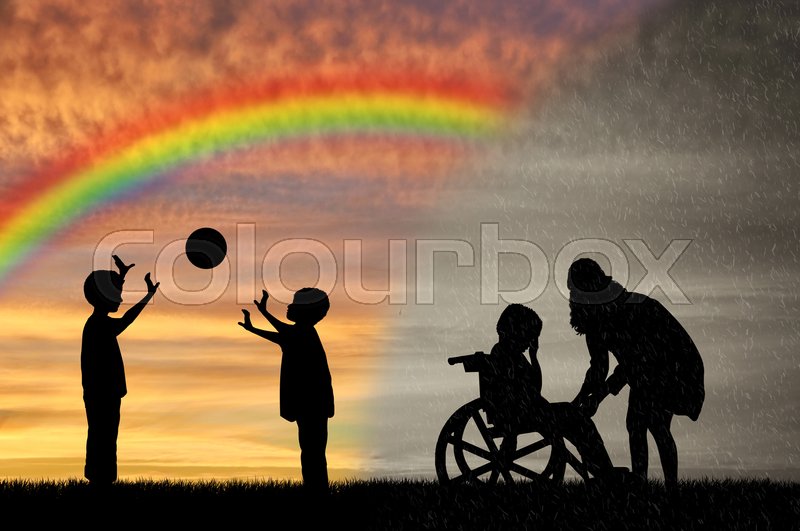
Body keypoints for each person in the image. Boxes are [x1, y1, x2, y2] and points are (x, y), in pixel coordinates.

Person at [568, 258, 704, 489]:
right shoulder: (596, 321)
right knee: (637, 423)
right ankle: (643, 483)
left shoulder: (634, 308)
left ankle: (668, 487)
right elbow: (599, 368)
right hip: (645, 373)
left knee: (653, 422)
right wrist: (581, 400)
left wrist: (599, 397)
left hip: (675, 368)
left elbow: (638, 362)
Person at [482, 304, 621, 480]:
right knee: (579, 422)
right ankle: (603, 472)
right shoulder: (504, 354)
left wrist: (533, 356)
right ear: (515, 332)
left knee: (577, 422)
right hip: (521, 413)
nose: (530, 342)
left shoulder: (510, 354)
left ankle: (600, 470)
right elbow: (529, 391)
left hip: (524, 411)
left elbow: (533, 387)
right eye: (529, 337)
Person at [238, 288, 334, 492]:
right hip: (313, 404)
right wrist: (255, 324)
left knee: (312, 451)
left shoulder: (304, 332)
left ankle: (317, 492)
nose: (290, 306)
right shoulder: (302, 333)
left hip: (312, 404)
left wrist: (262, 314)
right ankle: (316, 490)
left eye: (295, 303)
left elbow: (284, 333)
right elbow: (283, 336)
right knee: (311, 451)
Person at [81, 255, 159, 486]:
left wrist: (121, 277)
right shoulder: (99, 325)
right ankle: (100, 479)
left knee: (103, 435)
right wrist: (148, 296)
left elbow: (112, 302)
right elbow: (126, 320)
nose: (121, 297)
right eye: (117, 293)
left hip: (104, 393)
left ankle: (101, 478)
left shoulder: (97, 323)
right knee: (103, 435)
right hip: (102, 393)